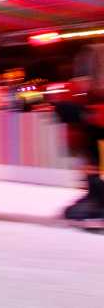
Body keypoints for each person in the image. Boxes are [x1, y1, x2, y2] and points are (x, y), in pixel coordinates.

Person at [53, 44, 104, 222]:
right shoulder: (85, 96)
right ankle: (97, 195)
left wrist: (86, 114)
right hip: (95, 140)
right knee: (93, 145)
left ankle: (98, 196)